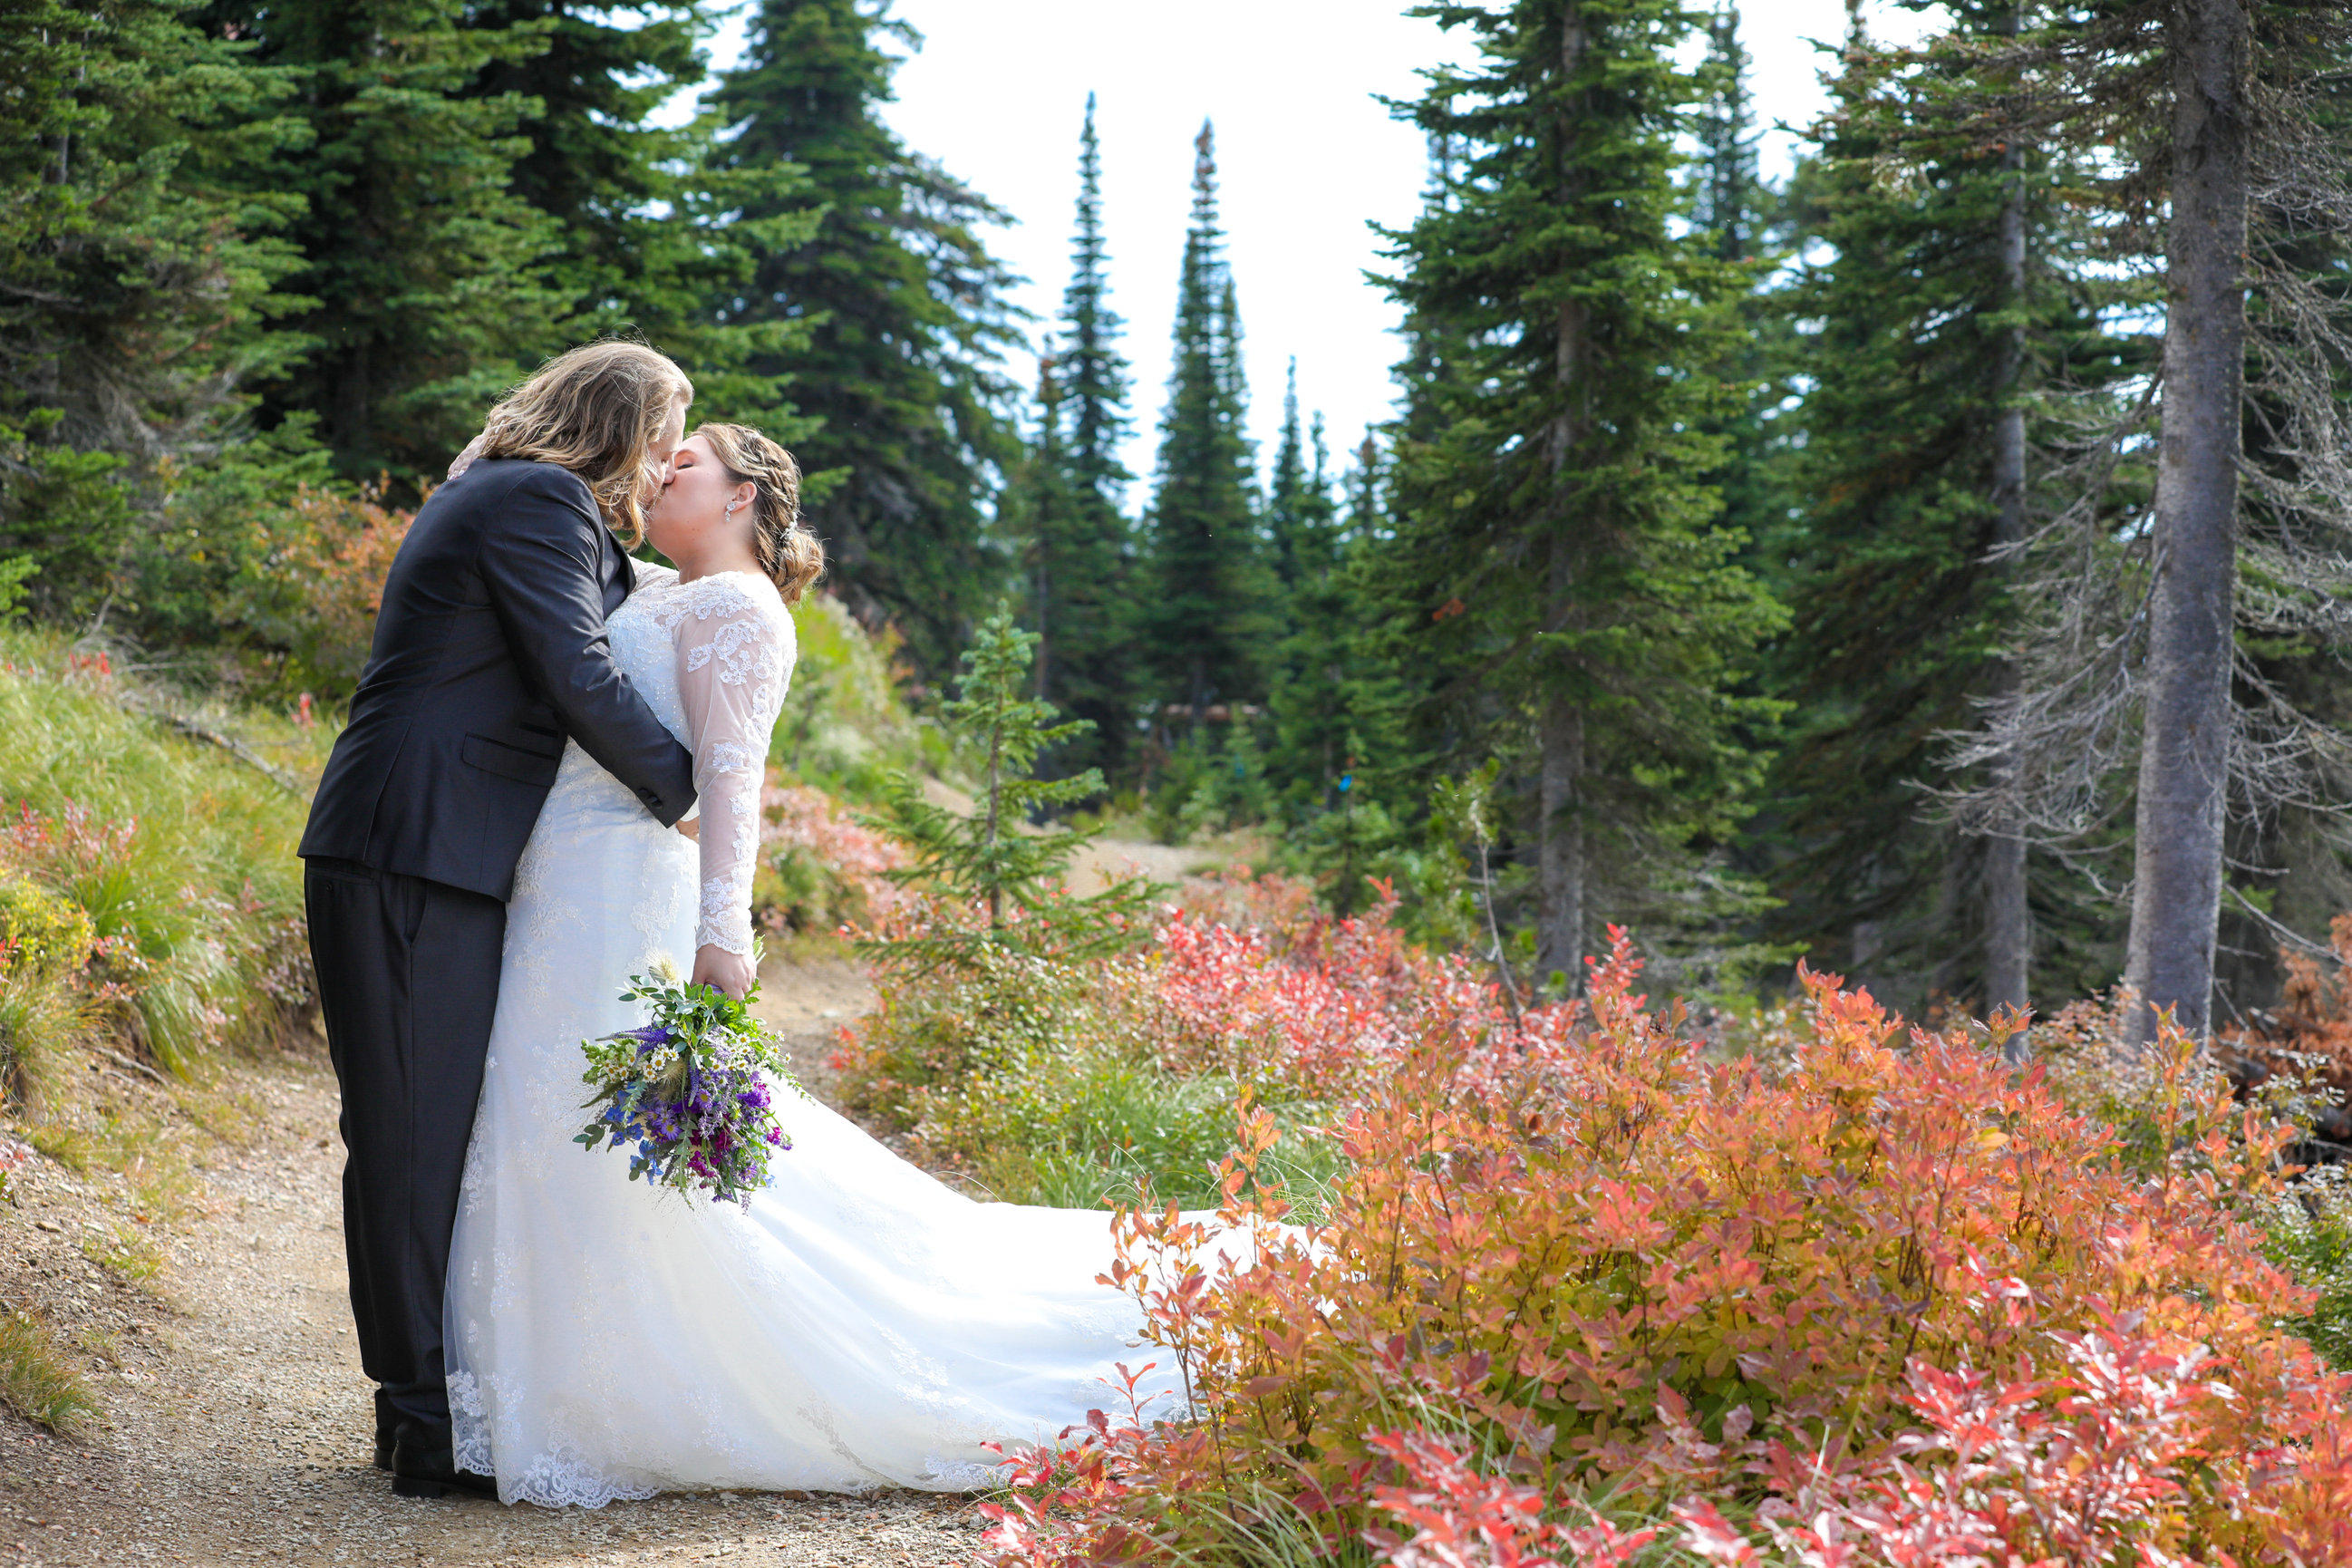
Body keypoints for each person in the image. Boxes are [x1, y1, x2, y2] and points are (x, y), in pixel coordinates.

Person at [443, 424, 1181, 1507]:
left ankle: (616, 1388)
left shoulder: (742, 611)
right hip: (556, 887)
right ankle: (547, 1381)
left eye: (682, 466)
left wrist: (721, 938)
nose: (658, 475)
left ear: (742, 498)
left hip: (621, 897)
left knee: (605, 1128)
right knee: (542, 1115)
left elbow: (732, 784)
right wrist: (495, 459)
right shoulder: (653, 586)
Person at [299, 342, 701, 1500]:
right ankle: (426, 1420)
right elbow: (573, 664)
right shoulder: (535, 496)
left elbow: (601, 615)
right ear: (618, 420)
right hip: (413, 845)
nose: (673, 456)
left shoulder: (504, 489)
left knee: (410, 1131)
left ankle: (414, 1406)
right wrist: (692, 795)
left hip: (423, 845)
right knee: (409, 1135)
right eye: (669, 428)